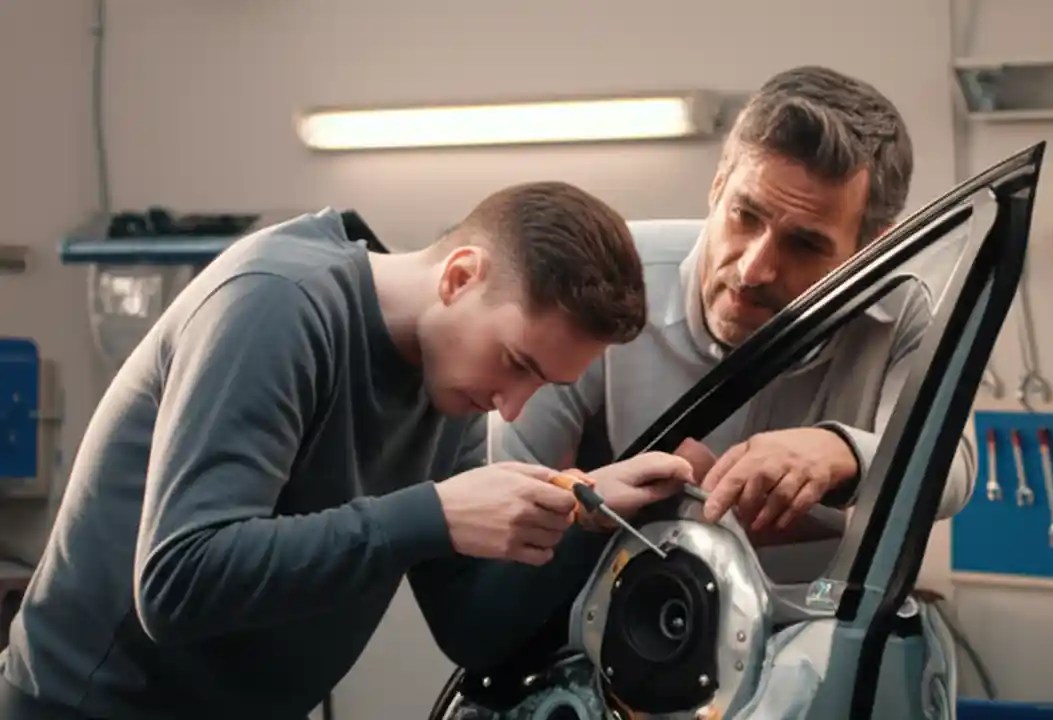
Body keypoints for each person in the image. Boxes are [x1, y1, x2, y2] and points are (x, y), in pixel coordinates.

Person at [0, 182, 693, 719]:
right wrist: (431, 514)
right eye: (516, 362)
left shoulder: (448, 386)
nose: (512, 407)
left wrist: (583, 522)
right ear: (459, 277)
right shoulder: (277, 304)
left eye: (542, 384)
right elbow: (178, 580)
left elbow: (471, 630)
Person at [489, 66, 975, 584]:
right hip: (610, 626)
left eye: (804, 244)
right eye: (745, 215)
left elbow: (952, 468)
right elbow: (505, 496)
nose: (753, 269)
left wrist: (839, 453)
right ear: (718, 186)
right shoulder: (610, 276)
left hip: (807, 639)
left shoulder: (905, 313)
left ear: (872, 249)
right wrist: (588, 502)